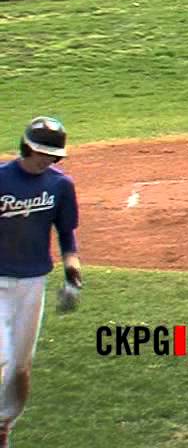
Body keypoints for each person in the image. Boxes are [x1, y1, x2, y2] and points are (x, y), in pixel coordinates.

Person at [0, 116, 83, 448]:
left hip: (33, 283)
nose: (49, 160)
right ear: (28, 148)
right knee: (1, 358)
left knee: (20, 369)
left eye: (54, 155)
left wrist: (72, 269)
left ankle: (4, 425)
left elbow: (66, 233)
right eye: (44, 153)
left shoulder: (61, 185)